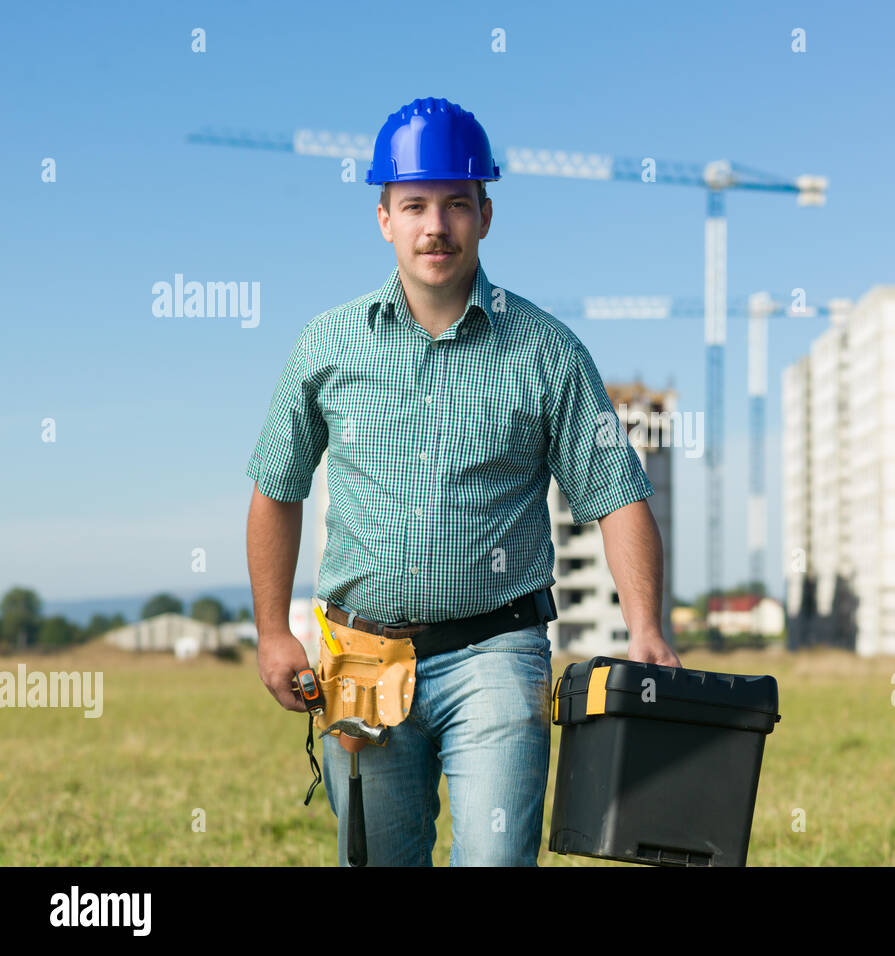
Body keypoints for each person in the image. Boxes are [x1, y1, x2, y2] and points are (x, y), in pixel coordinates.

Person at [245, 96, 680, 866]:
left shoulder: (546, 351)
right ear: (384, 217)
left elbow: (617, 493)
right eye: (414, 205)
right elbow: (277, 489)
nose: (434, 226)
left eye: (455, 204)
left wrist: (646, 628)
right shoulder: (326, 346)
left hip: (498, 655)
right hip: (360, 659)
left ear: (485, 212)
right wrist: (275, 631)